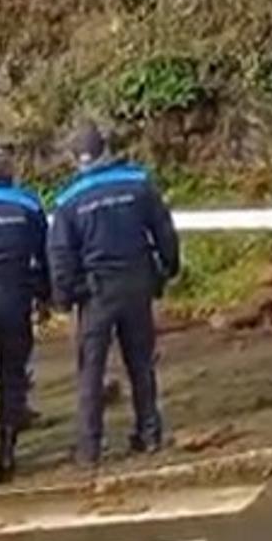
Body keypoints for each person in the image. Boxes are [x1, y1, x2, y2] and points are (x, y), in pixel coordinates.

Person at [48, 124, 180, 468]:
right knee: (141, 363)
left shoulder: (68, 198)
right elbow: (164, 228)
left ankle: (89, 449)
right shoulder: (138, 181)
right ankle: (150, 435)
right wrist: (168, 269)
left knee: (91, 371)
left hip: (97, 292)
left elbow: (61, 254)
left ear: (76, 158)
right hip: (137, 282)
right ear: (106, 148)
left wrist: (67, 296)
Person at [0, 140, 49, 483]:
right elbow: (46, 254)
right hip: (15, 302)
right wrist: (46, 297)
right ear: (12, 177)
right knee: (12, 379)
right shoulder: (29, 205)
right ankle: (6, 457)